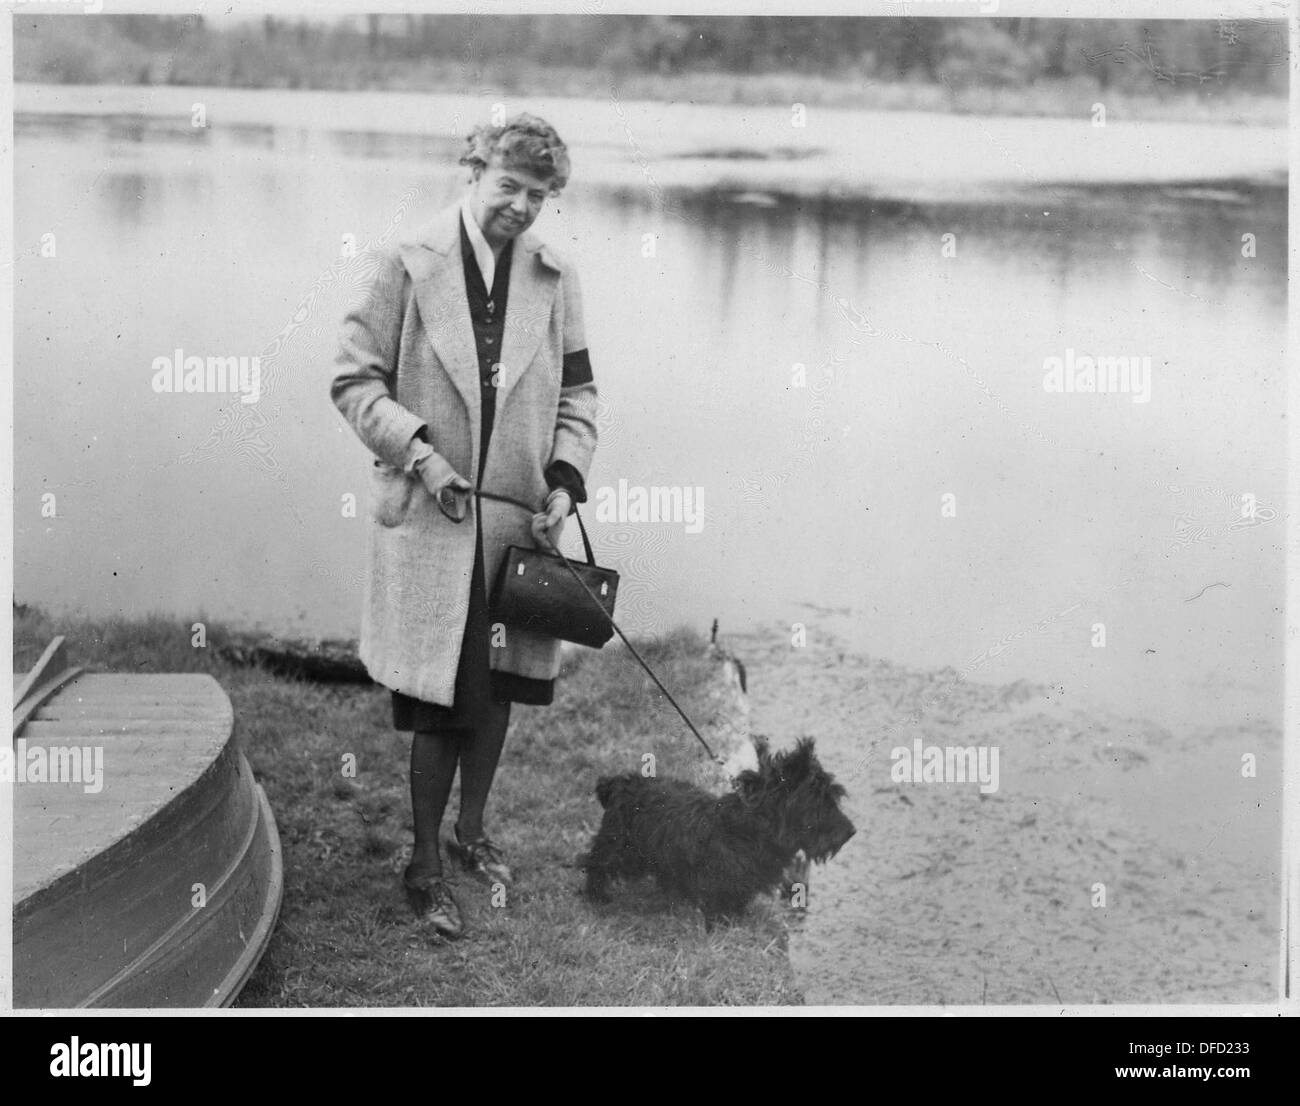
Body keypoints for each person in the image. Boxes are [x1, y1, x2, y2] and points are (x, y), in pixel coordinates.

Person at [330, 113, 598, 939]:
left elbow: (581, 394)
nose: (520, 206)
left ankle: (471, 831)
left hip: (519, 530)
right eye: (507, 185)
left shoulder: (555, 278)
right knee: (441, 701)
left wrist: (563, 480)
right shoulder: (403, 264)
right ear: (472, 170)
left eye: (538, 194)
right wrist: (422, 455)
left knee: (502, 689)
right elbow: (352, 382)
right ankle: (423, 865)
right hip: (432, 518)